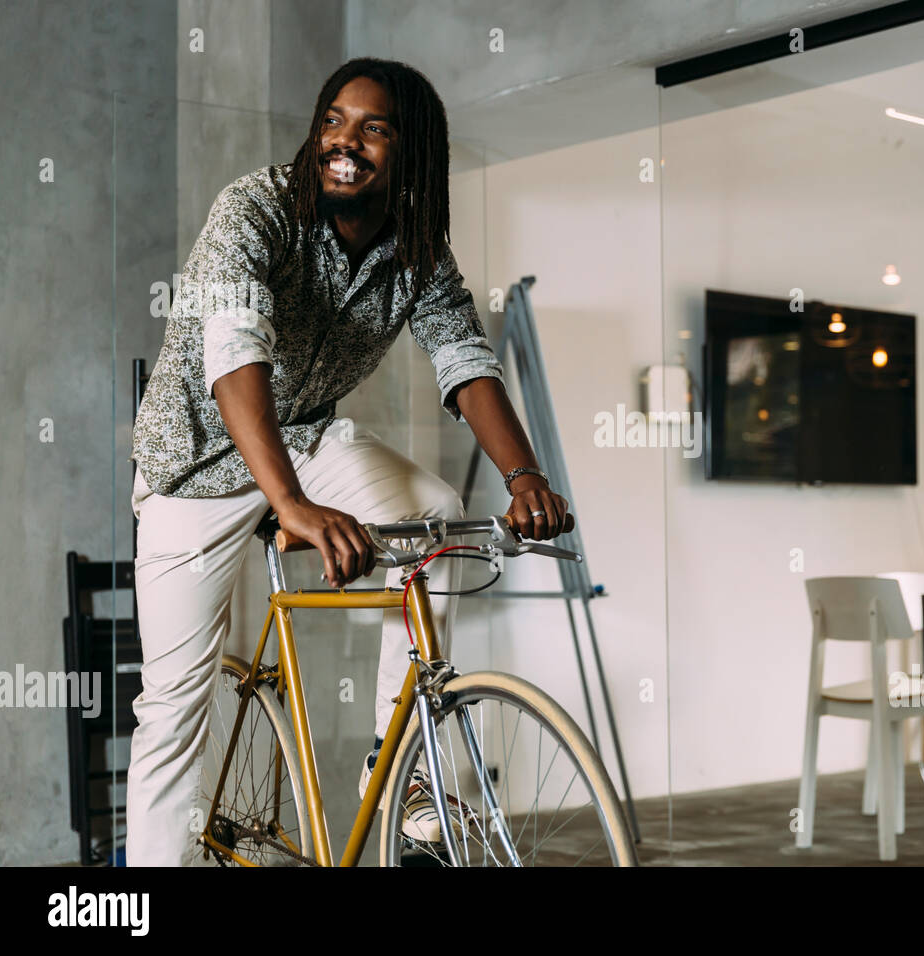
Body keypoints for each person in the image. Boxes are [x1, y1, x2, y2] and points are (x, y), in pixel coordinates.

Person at [126, 58, 567, 866]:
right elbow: (233, 354)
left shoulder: (418, 248)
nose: (344, 142)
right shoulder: (254, 210)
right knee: (173, 706)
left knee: (435, 526)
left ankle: (398, 772)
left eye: (374, 128)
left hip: (301, 441)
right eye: (333, 119)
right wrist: (289, 504)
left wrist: (526, 476)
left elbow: (464, 358)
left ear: (411, 154)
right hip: (192, 466)